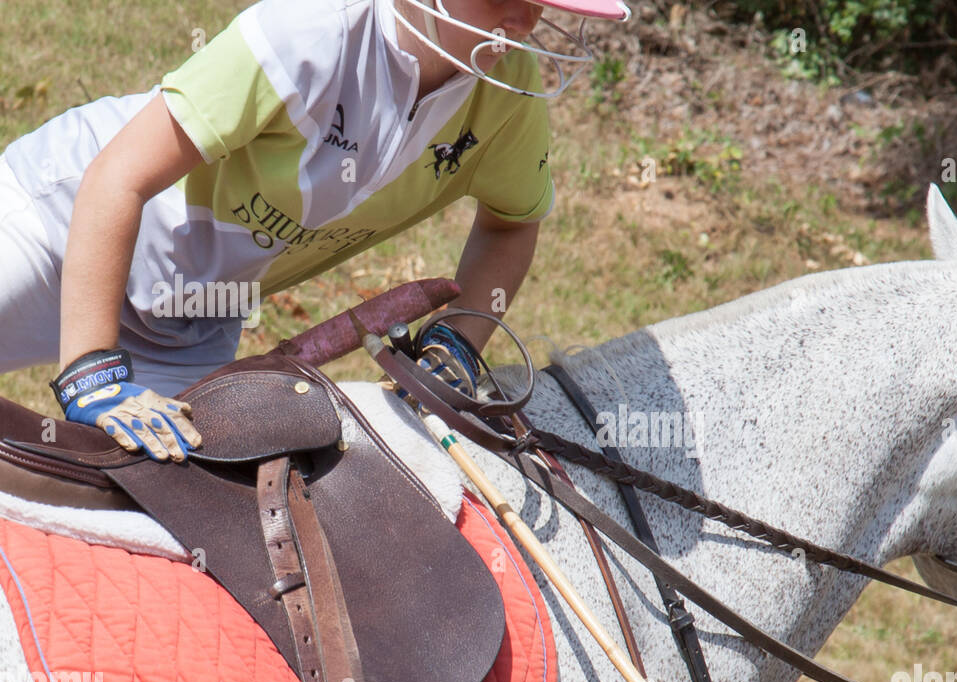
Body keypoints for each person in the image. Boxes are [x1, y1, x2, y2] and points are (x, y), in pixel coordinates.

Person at [0, 0, 630, 461]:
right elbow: (117, 178)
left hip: (193, 317)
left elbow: (512, 225)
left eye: (540, 4)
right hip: (63, 224)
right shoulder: (310, 30)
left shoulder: (509, 89)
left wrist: (458, 346)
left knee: (177, 511)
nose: (523, 22)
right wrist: (90, 372)